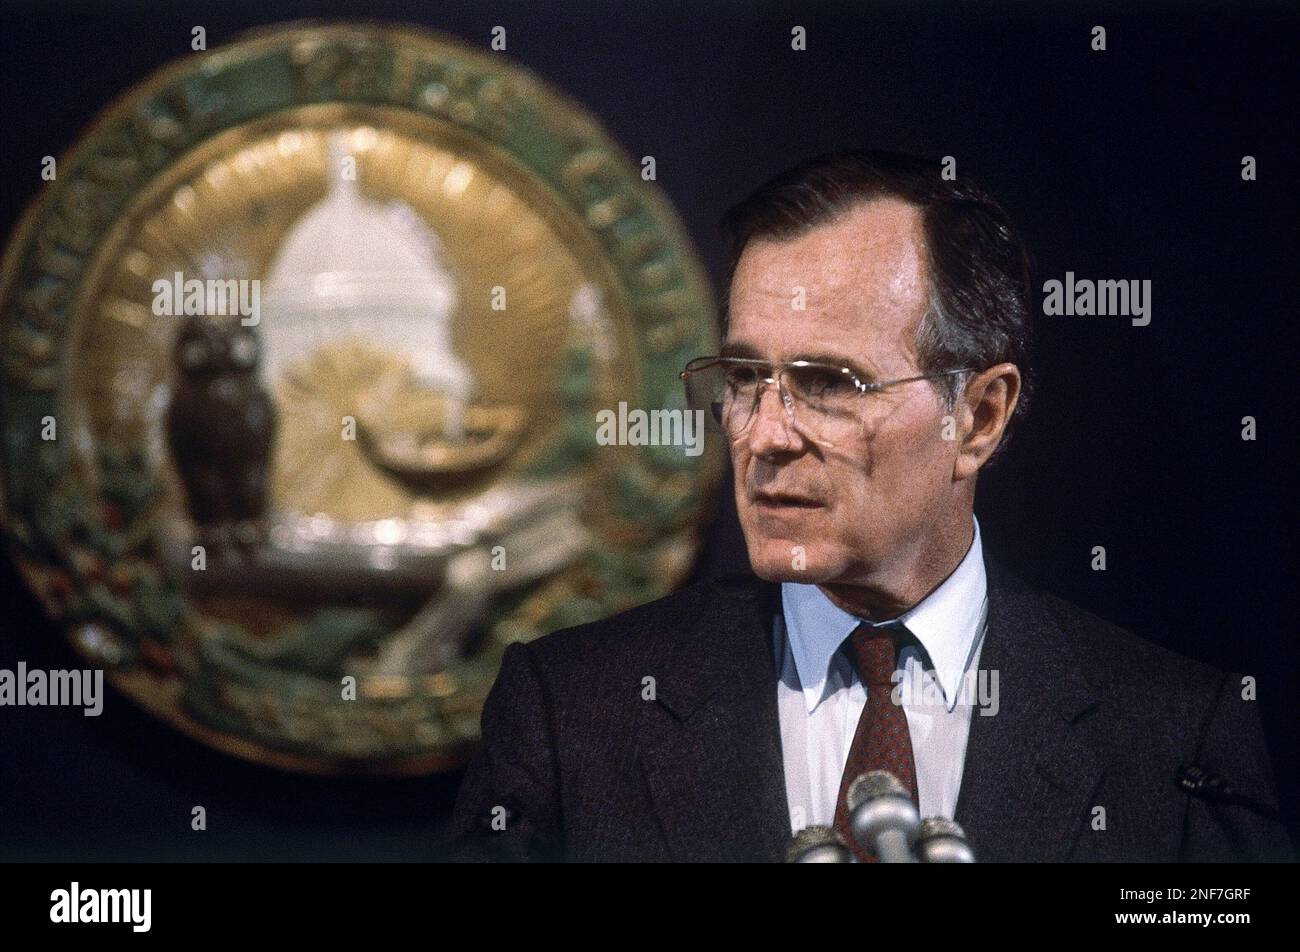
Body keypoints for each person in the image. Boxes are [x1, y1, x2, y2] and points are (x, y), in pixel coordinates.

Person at [447, 150, 1290, 862]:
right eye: (745, 379)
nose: (765, 435)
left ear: (979, 417)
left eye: (828, 385)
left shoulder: (1171, 738)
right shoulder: (571, 715)